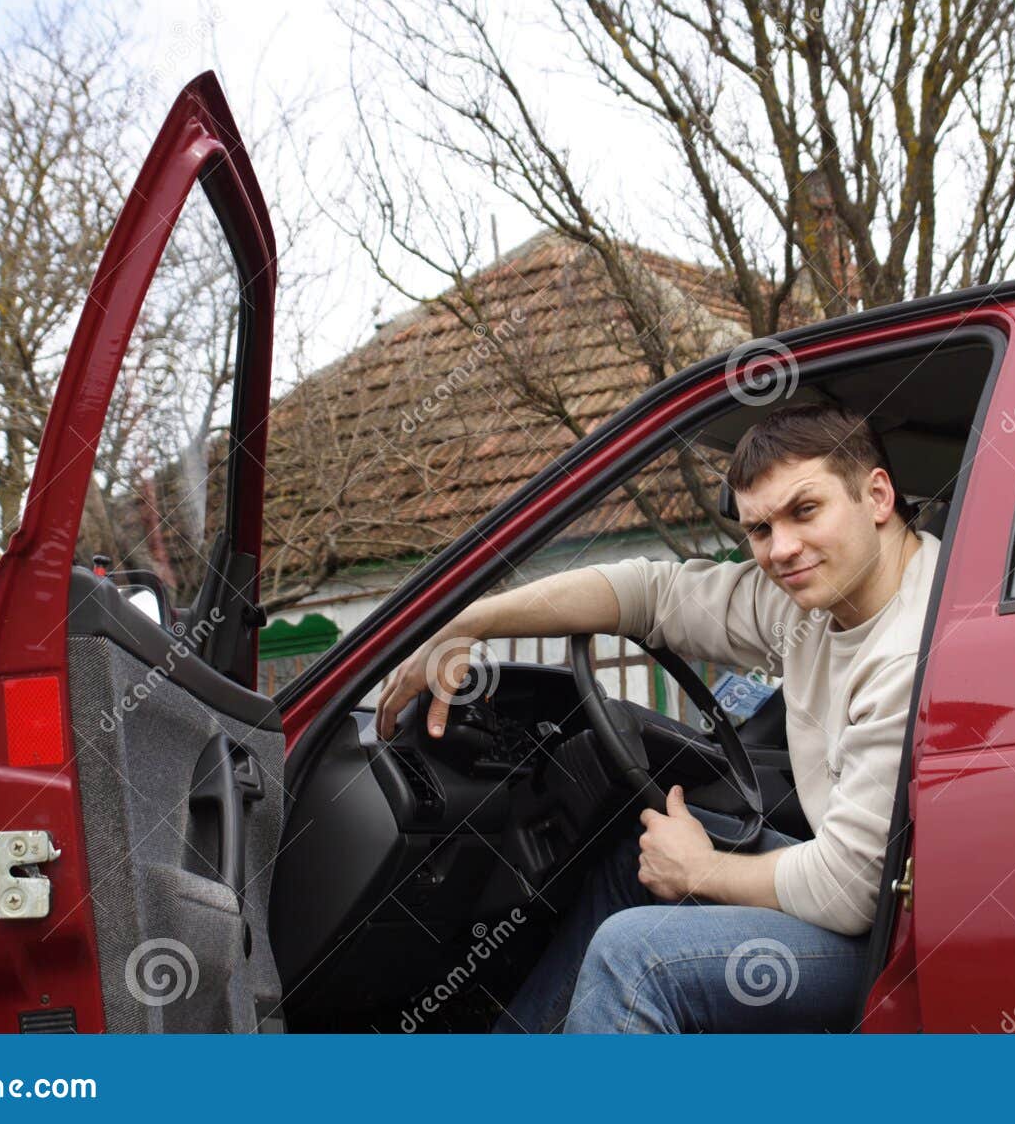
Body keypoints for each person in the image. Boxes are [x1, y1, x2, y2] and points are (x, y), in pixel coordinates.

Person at [375, 402, 941, 1032]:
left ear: (878, 495)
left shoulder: (913, 646)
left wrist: (704, 871)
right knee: (632, 859)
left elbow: (849, 890)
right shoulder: (810, 598)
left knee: (633, 954)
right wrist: (470, 621)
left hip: (911, 943)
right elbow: (652, 594)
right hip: (880, 899)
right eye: (759, 529)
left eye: (804, 511)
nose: (781, 549)